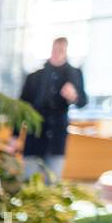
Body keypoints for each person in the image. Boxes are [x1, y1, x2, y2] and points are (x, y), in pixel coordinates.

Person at [19, 37, 87, 182]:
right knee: (28, 181)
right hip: (34, 137)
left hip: (57, 138)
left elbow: (83, 101)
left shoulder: (74, 75)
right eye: (55, 49)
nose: (57, 53)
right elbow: (21, 108)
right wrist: (15, 135)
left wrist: (74, 96)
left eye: (61, 50)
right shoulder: (34, 77)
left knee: (53, 182)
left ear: (66, 52)